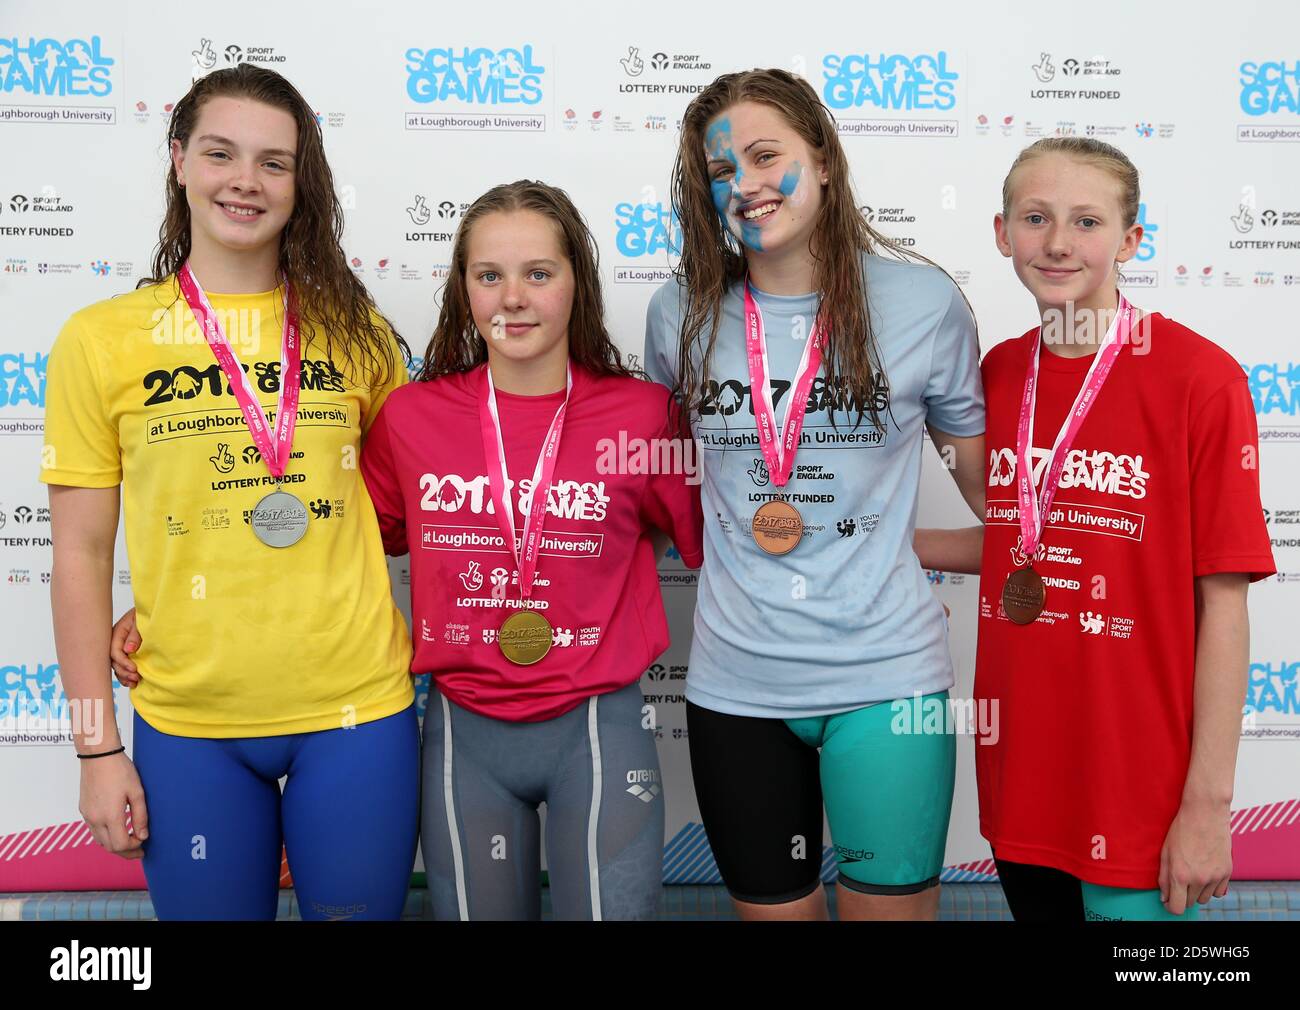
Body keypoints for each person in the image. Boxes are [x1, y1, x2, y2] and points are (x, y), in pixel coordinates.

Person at [47, 64, 419, 921]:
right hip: (190, 726)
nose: (245, 181)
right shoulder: (103, 340)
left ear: (302, 183)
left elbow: (411, 507)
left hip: (358, 711)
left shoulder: (358, 332)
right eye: (221, 153)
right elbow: (77, 554)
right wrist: (95, 746)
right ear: (178, 160)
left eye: (274, 163)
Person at [644, 69, 986, 921]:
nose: (747, 184)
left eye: (767, 156)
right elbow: (662, 486)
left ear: (824, 161)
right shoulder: (679, 311)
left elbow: (999, 501)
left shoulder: (922, 304)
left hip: (888, 680)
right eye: (723, 171)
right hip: (737, 686)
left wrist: (906, 552)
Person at [918, 136, 1275, 921]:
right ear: (1002, 232)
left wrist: (1209, 805)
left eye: (1086, 221)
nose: (1057, 243)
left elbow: (1225, 603)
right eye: (1036, 217)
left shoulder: (1201, 379)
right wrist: (891, 547)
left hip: (1140, 786)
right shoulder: (997, 376)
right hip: (1021, 781)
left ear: (1130, 239)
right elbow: (1034, 541)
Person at [359, 180, 703, 920]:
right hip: (463, 733)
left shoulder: (644, 417)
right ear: (464, 289)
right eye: (490, 275)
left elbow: (721, 544)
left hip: (598, 728)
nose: (512, 298)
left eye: (538, 274)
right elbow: (351, 553)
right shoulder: (409, 418)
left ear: (577, 281)